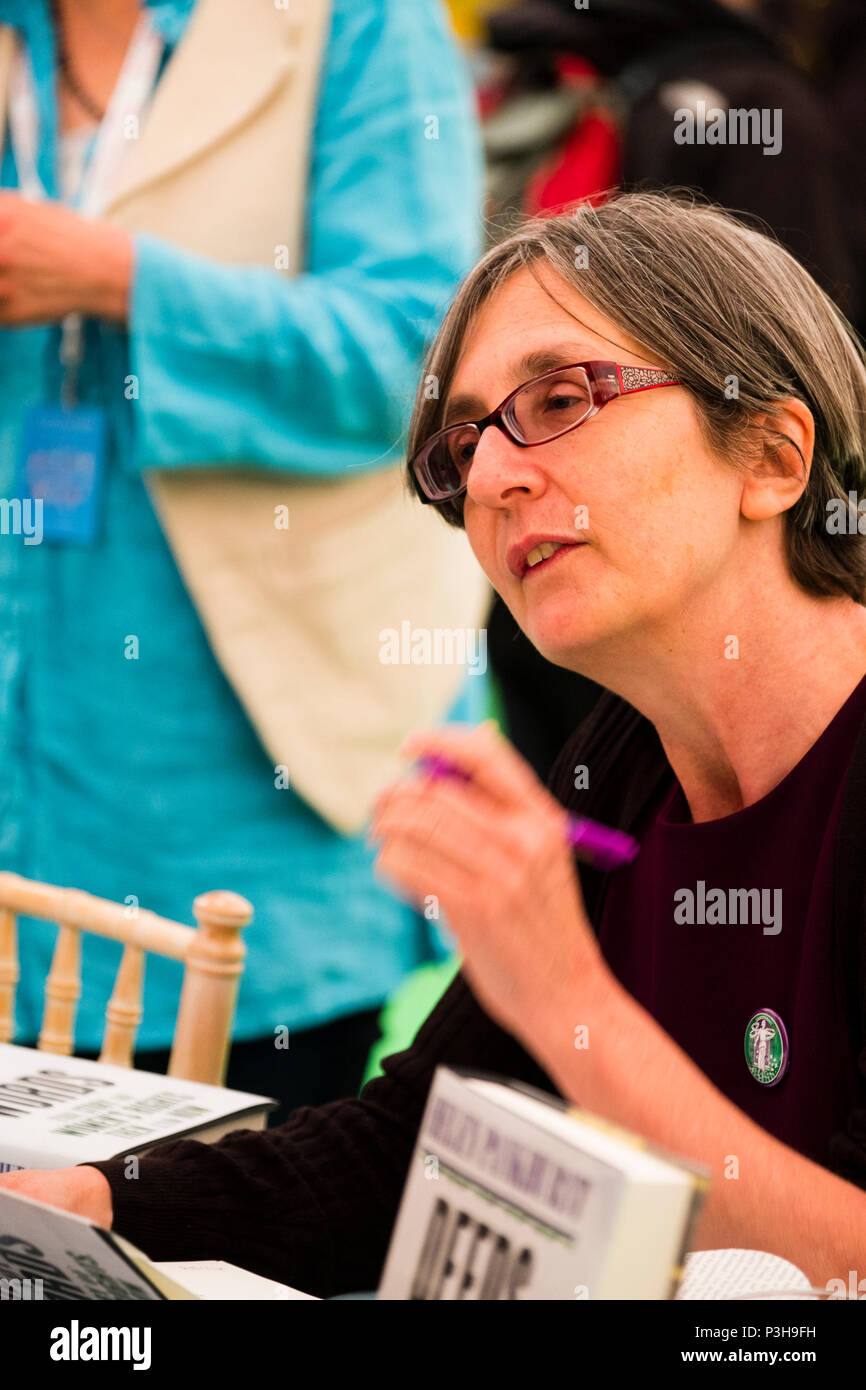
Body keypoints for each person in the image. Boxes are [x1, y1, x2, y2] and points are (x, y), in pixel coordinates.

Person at [5, 191, 866, 1299]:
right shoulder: (622, 762)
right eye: (463, 444)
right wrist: (105, 1201)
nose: (494, 482)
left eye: (560, 399)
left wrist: (565, 1000)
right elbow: (412, 1143)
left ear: (771, 452)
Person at [0, 0, 488, 1118]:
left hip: (248, 791)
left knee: (228, 1244)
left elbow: (422, 361)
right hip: (21, 777)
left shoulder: (363, 23)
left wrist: (122, 280)